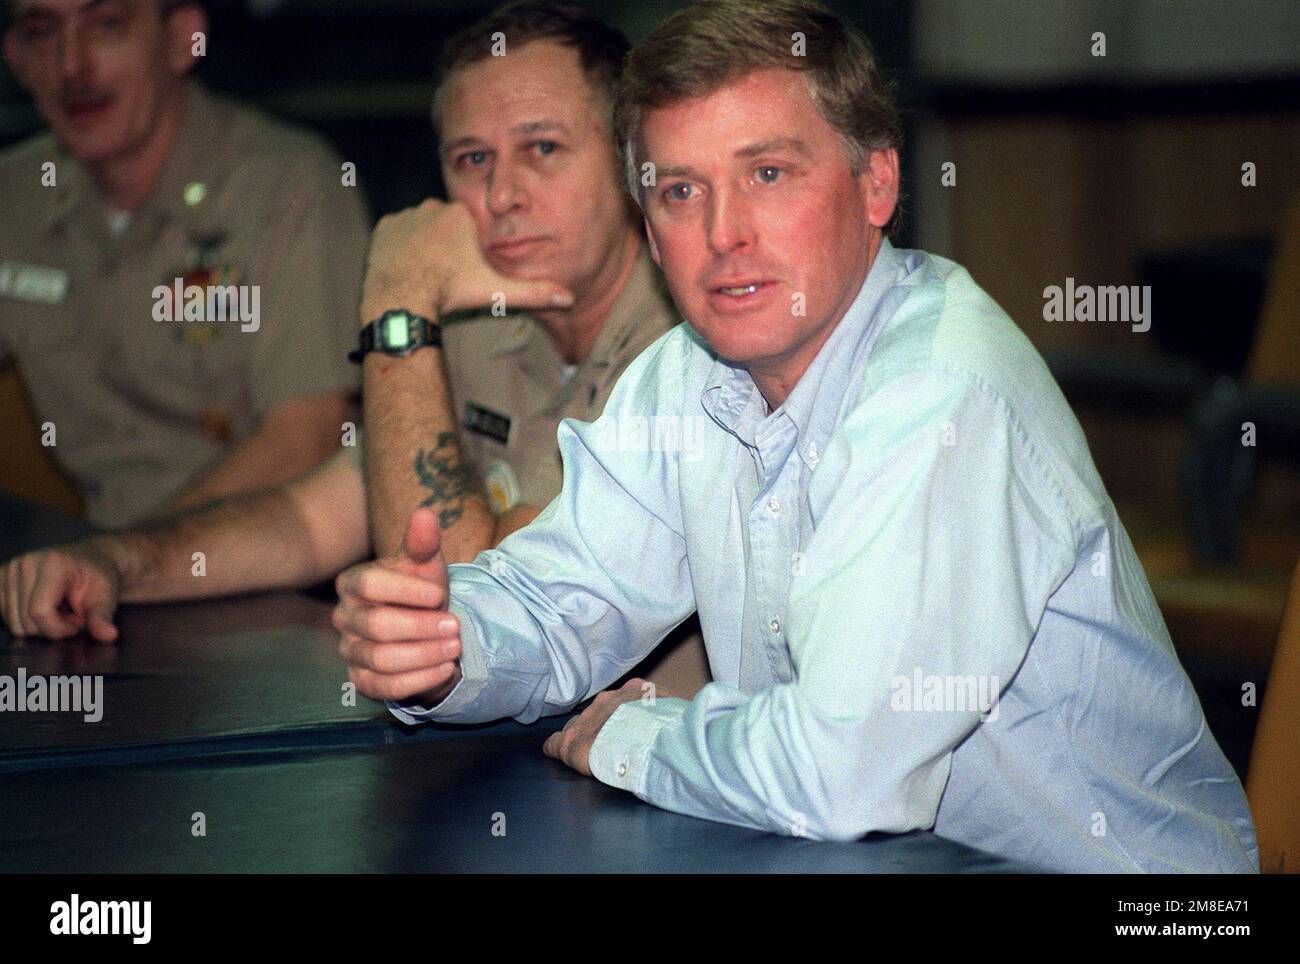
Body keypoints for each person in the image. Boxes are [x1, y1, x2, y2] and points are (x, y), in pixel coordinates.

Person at [337, 0, 1259, 872]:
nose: (723, 233)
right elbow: (561, 603)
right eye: (681, 190)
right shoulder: (688, 372)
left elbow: (841, 774)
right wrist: (447, 644)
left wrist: (635, 734)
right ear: (649, 230)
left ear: (878, 183)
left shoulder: (941, 394)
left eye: (768, 175)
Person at [0, 0, 710, 698]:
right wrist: (114, 560)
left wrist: (398, 310)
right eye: (472, 159)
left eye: (543, 149)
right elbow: (309, 521)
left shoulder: (689, 350)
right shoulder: (486, 324)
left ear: (631, 161)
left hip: (668, 765)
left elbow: (476, 623)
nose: (501, 195)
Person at [0, 0, 367, 527]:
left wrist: (129, 559)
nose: (72, 66)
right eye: (42, 32)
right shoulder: (16, 197)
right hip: (93, 544)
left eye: (108, 25)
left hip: (266, 550)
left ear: (181, 39)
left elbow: (309, 438)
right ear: (14, 56)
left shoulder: (288, 188)